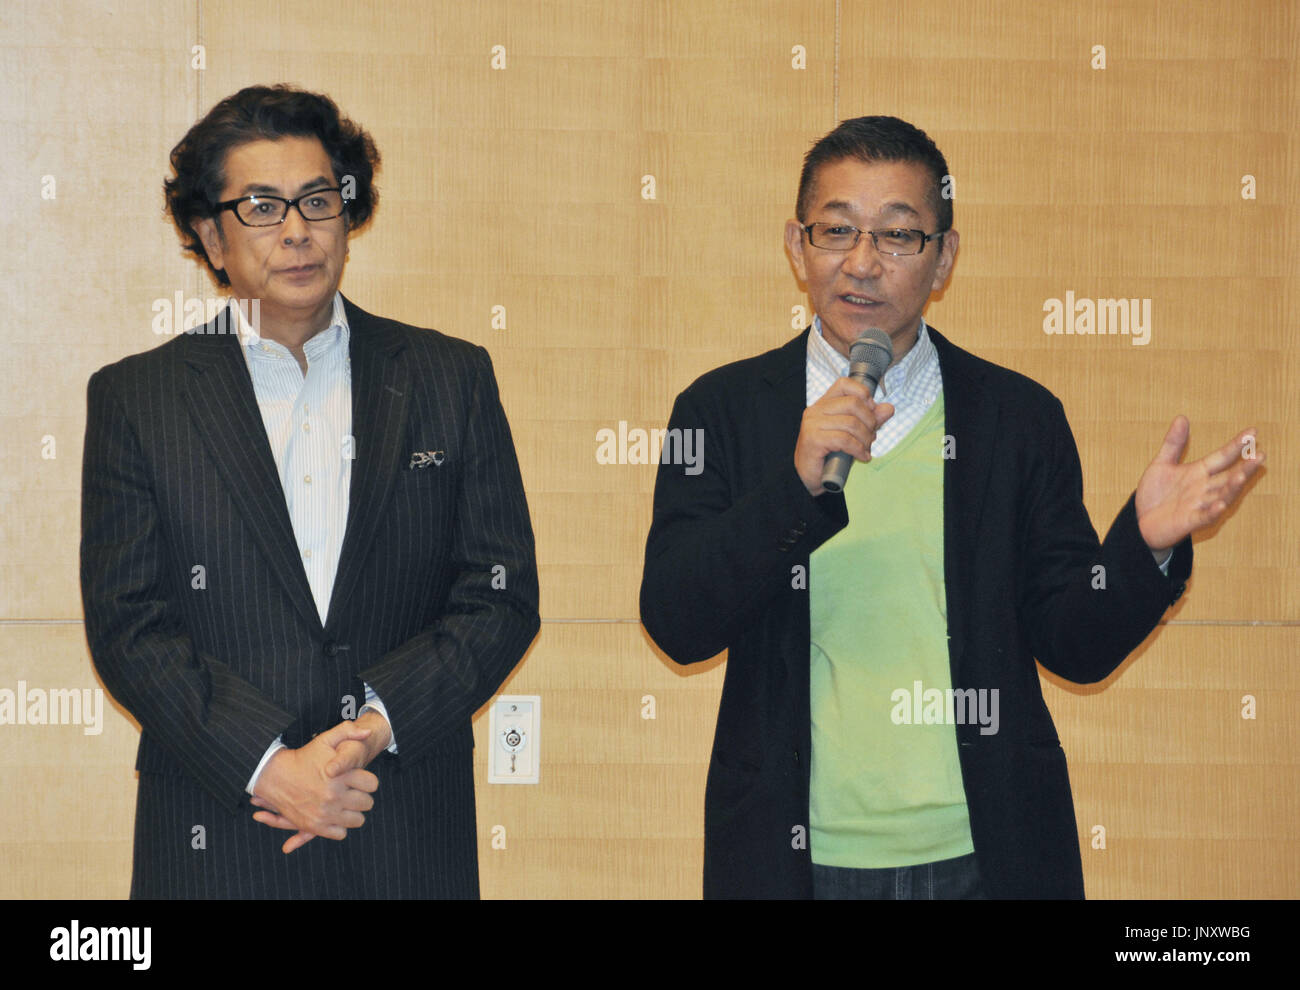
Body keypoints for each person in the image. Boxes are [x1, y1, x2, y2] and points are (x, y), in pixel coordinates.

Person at [639, 116, 1263, 899]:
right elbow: (676, 620)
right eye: (836, 230)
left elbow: (1074, 643)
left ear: (945, 259)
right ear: (796, 247)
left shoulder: (1016, 419)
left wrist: (1143, 545)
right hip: (794, 857)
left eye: (898, 237)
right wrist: (791, 486)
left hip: (985, 854)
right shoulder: (722, 411)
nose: (862, 262)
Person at [80, 84, 539, 898]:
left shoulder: (448, 378)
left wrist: (372, 728)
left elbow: (499, 597)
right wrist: (268, 765)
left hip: (401, 827)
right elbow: (129, 624)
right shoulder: (138, 399)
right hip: (218, 832)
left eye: (318, 199)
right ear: (208, 237)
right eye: (261, 206)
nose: (296, 230)